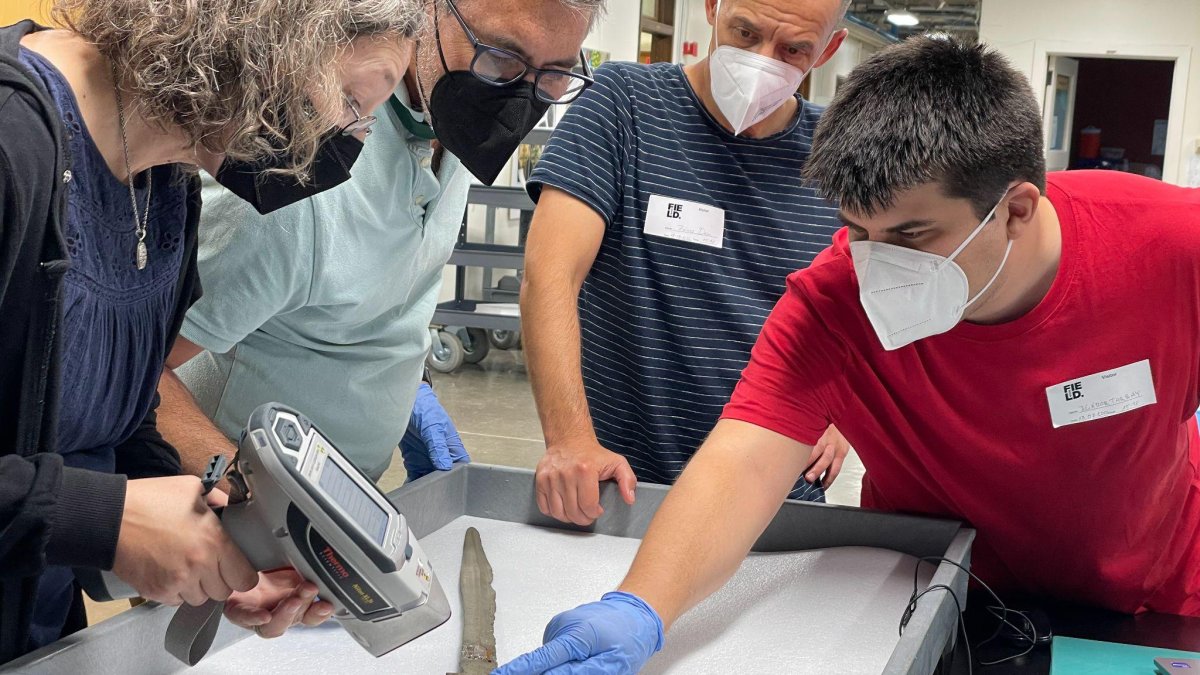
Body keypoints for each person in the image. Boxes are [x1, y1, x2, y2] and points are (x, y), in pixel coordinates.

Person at [496, 34, 1200, 674]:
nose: (873, 264)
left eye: (910, 235)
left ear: (1015, 209)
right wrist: (638, 607)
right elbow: (743, 462)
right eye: (855, 228)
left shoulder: (1170, 248)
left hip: (1147, 605)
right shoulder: (835, 297)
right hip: (935, 598)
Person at [0, 0, 419, 663]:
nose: (351, 144)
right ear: (266, 30)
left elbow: (113, 415)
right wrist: (108, 519)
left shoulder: (167, 185)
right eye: (349, 99)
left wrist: (220, 541)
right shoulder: (12, 143)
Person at [157, 0, 601, 490]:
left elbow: (382, 285)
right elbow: (133, 374)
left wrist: (410, 389)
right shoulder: (310, 156)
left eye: (556, 73)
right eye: (500, 57)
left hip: (344, 495)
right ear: (428, 9)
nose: (522, 98)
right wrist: (248, 491)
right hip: (219, 508)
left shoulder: (449, 125)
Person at [520, 0, 854, 528]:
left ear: (830, 49)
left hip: (771, 500)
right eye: (744, 31)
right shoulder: (623, 104)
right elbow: (550, 275)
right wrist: (569, 440)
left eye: (793, 49)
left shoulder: (839, 156)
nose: (761, 59)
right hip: (619, 489)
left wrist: (848, 414)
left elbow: (870, 310)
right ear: (712, 7)